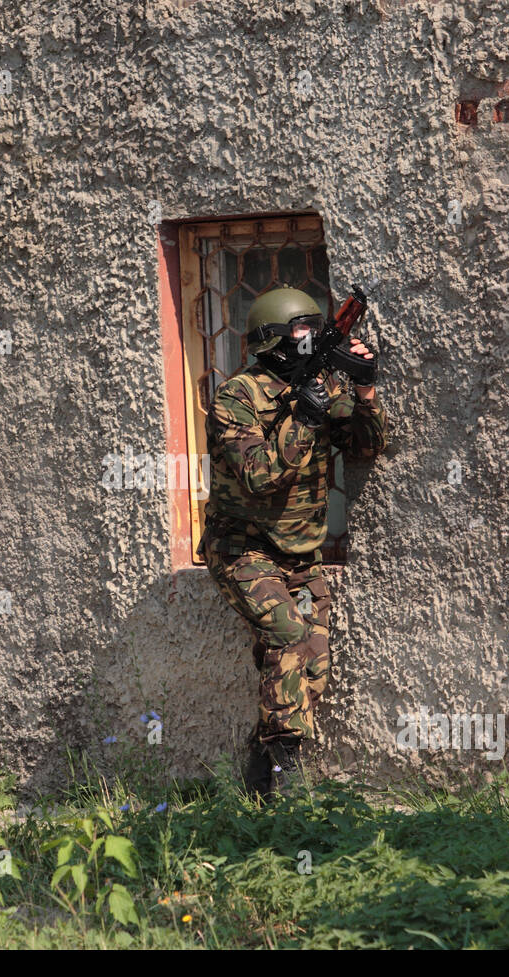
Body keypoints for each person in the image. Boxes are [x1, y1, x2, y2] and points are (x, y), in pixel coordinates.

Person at [200, 286, 387, 801]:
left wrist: (364, 389)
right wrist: (303, 418)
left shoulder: (322, 383)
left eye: (313, 328)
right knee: (286, 635)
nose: (309, 338)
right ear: (274, 342)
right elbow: (261, 476)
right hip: (244, 549)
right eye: (300, 330)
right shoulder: (237, 397)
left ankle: (259, 775)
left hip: (301, 552)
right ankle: (287, 778)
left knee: (314, 664)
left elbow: (366, 447)